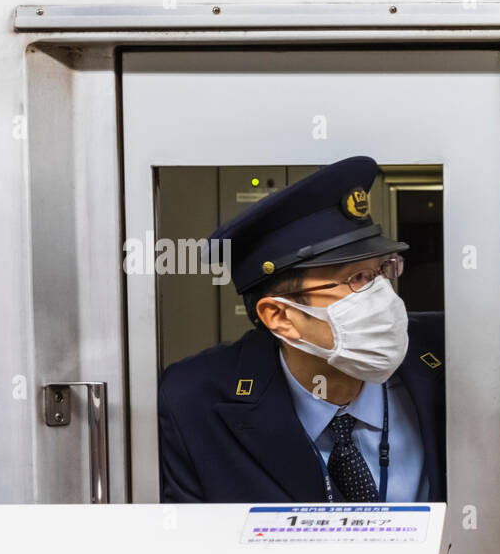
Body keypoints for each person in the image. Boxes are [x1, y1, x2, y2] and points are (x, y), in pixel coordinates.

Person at [157, 156, 445, 504]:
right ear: (280, 315)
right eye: (356, 279)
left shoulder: (447, 354)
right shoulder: (194, 405)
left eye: (381, 271)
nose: (381, 296)